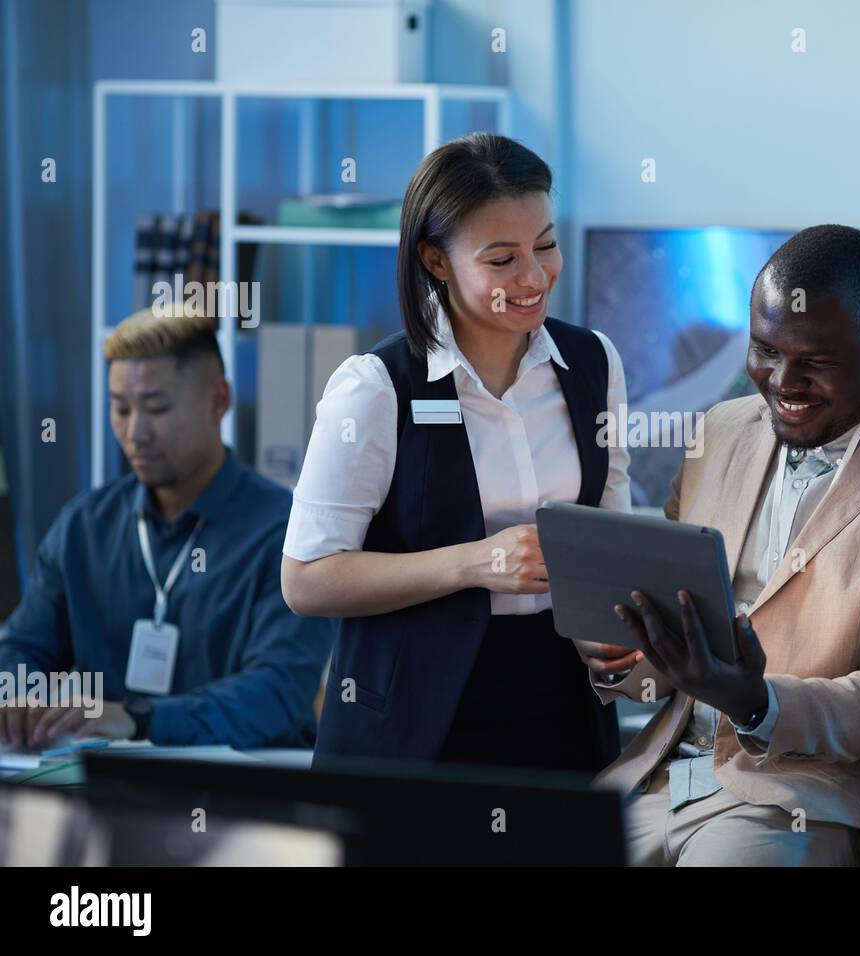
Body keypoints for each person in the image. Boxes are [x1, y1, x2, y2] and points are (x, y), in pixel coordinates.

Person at [575, 225, 860, 865]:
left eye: (817, 362)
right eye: (765, 350)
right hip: (664, 776)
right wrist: (625, 656)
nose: (783, 380)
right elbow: (664, 643)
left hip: (817, 793)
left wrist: (757, 703)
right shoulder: (721, 431)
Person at [282, 133, 630, 774]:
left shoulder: (592, 362)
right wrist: (474, 563)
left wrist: (609, 627)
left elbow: (606, 536)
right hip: (413, 724)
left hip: (564, 709)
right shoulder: (377, 386)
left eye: (545, 245)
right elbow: (306, 580)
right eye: (501, 259)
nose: (533, 277)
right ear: (435, 260)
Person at [0, 309, 332, 749]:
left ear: (219, 400)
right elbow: (23, 646)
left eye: (156, 407)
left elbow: (279, 693)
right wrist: (17, 694)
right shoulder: (85, 526)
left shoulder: (287, 534)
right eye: (120, 408)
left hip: (244, 793)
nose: (135, 432)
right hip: (94, 784)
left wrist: (139, 719)